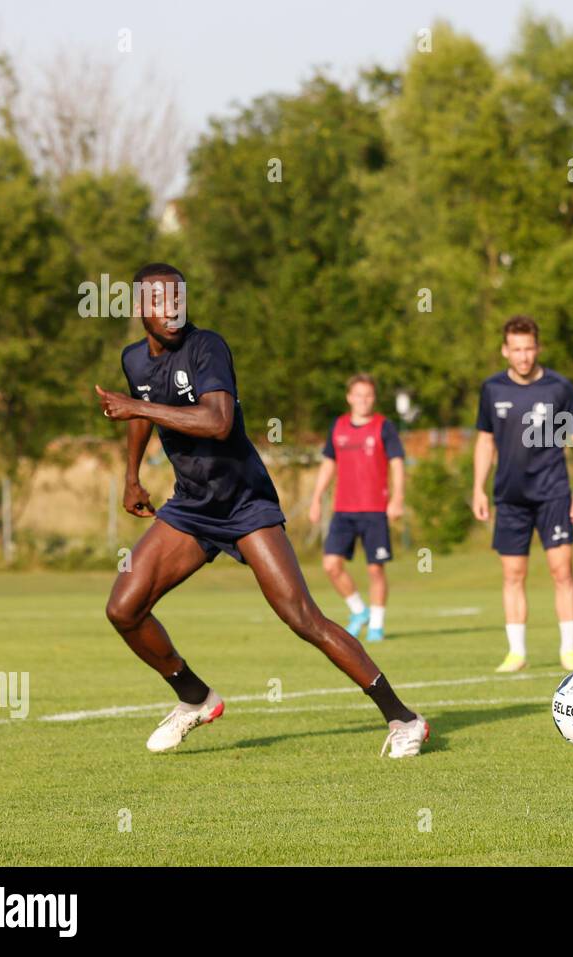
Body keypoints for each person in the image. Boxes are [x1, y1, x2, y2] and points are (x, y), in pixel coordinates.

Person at [97, 263, 428, 758]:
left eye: (178, 300)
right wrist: (130, 476)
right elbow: (140, 407)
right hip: (190, 506)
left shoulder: (208, 346)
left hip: (244, 504)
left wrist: (138, 408)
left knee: (302, 618)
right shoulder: (135, 360)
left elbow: (217, 421)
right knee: (123, 608)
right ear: (139, 308)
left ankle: (404, 718)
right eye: (160, 301)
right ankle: (194, 698)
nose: (172, 310)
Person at [472, 315, 573, 673]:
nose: (523, 356)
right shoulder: (492, 389)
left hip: (554, 492)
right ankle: (516, 653)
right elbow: (484, 440)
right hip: (510, 497)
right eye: (516, 349)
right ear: (505, 351)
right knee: (513, 574)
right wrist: (478, 487)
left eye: (529, 348)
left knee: (561, 570)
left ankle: (569, 650)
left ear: (537, 348)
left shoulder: (560, 388)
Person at [308, 374, 405, 642]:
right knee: (331, 565)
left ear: (374, 398)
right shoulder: (338, 426)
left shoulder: (384, 427)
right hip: (343, 509)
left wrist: (397, 498)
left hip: (375, 509)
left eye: (368, 395)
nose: (363, 400)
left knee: (375, 569)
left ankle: (376, 624)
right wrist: (316, 497)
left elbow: (397, 463)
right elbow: (328, 464)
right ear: (349, 397)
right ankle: (358, 611)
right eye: (358, 395)